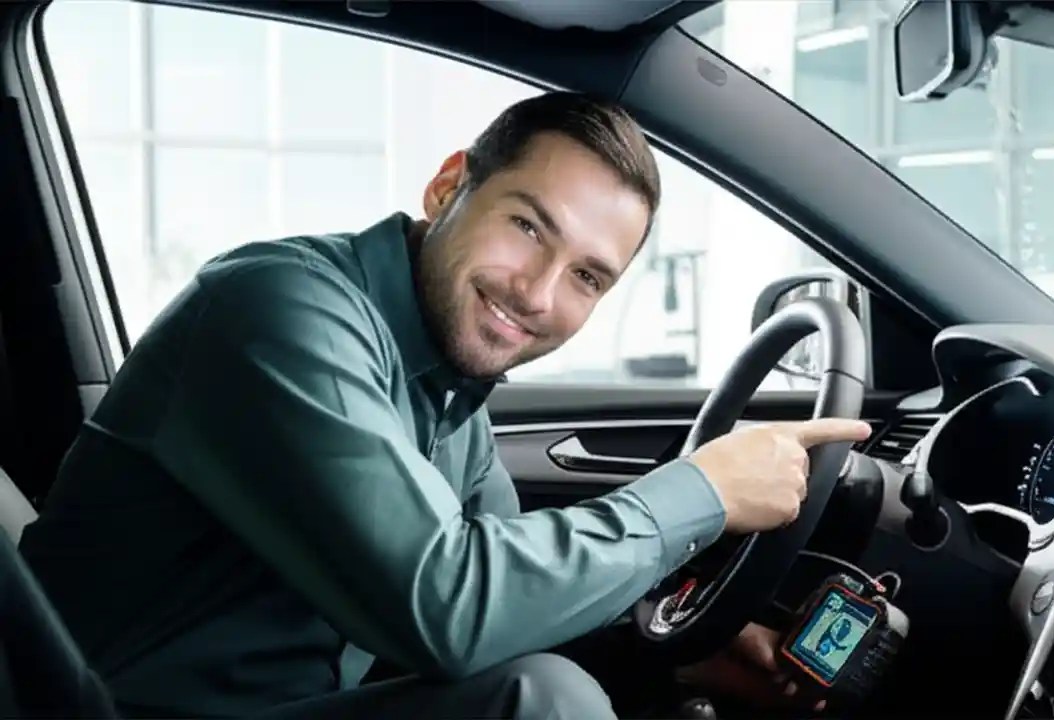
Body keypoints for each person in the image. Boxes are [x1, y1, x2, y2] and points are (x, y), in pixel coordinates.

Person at [19, 91, 870, 719]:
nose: (536, 293)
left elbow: (514, 597)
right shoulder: (280, 309)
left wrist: (686, 653)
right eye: (527, 227)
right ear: (447, 186)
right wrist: (703, 492)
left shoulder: (450, 394)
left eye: (586, 277)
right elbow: (451, 606)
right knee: (542, 703)